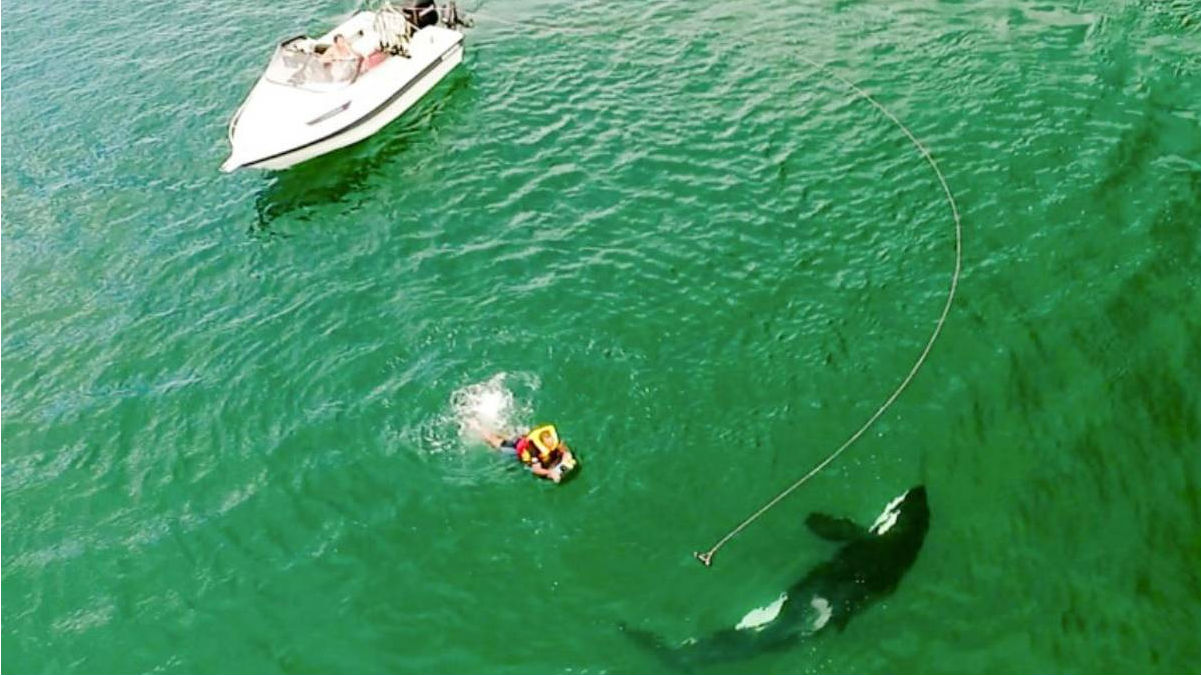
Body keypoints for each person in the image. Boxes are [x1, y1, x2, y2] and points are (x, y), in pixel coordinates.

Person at [480, 424, 577, 483]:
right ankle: (477, 427)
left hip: (525, 439)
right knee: (494, 441)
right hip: (516, 450)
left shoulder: (552, 437)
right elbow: (536, 469)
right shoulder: (534, 448)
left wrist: (566, 455)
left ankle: (497, 430)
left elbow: (563, 448)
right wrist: (550, 473)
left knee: (506, 436)